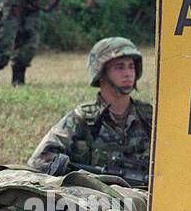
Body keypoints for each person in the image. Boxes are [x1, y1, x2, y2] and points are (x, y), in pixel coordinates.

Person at [26, 37, 152, 182]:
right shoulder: (83, 118)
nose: (128, 73)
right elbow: (39, 161)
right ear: (101, 73)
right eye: (119, 67)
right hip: (94, 197)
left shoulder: (148, 117)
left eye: (131, 66)